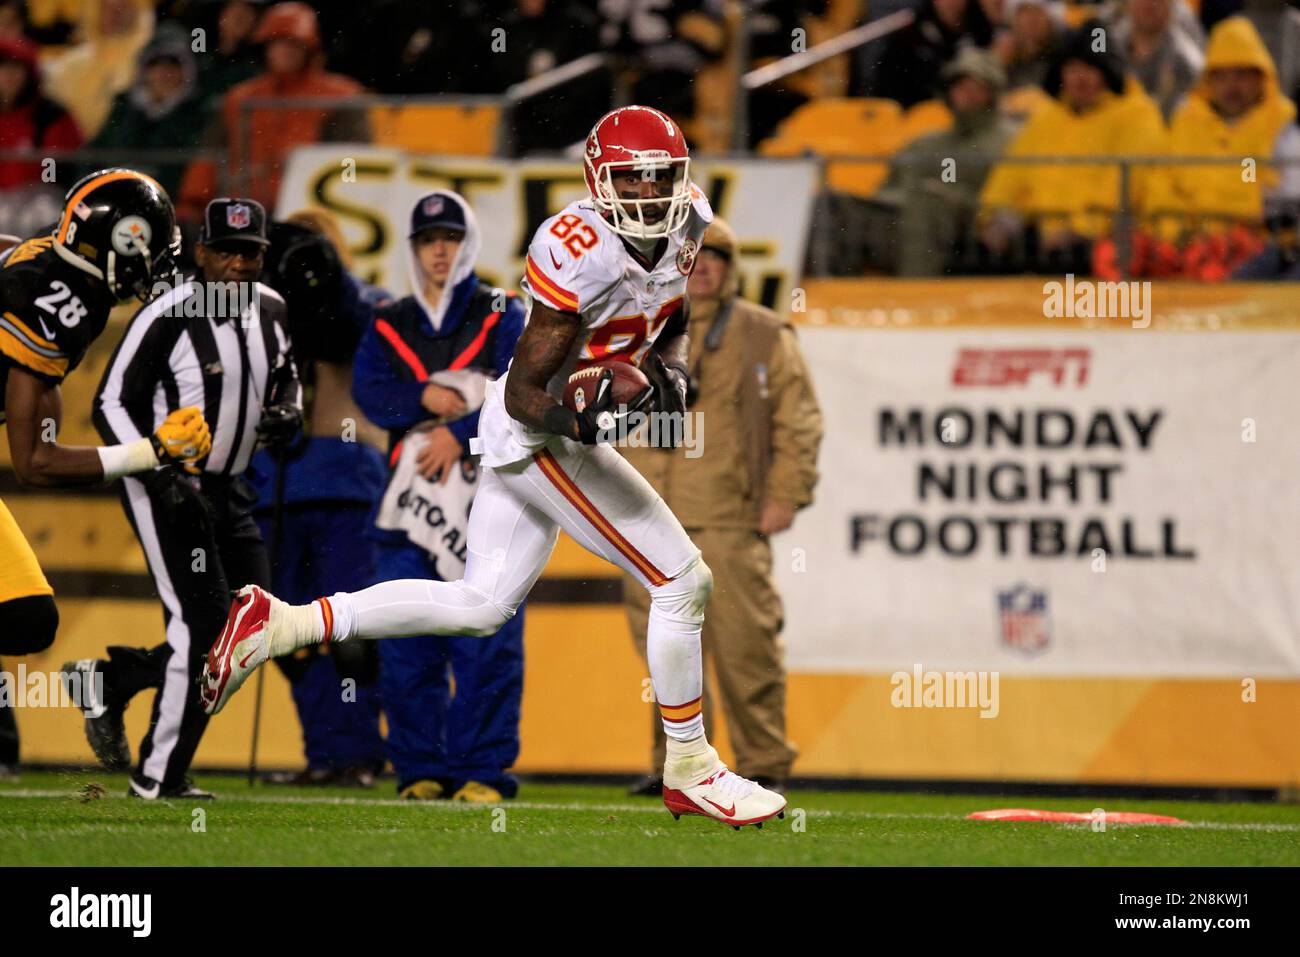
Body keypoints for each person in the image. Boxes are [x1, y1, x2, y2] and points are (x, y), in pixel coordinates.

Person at [203, 105, 788, 829]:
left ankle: (283, 622)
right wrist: (592, 415)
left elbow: (670, 318)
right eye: (631, 182)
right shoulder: (579, 250)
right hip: (536, 434)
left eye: (660, 178)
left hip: (543, 435)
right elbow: (523, 392)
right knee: (681, 578)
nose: (648, 195)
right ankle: (691, 765)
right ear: (599, 183)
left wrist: (667, 373)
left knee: (481, 605)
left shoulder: (691, 218)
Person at [69, 197, 299, 800]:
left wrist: (287, 415)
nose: (239, 264)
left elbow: (286, 378)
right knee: (200, 627)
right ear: (200, 253)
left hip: (233, 489)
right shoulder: (168, 311)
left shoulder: (273, 309)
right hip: (171, 487)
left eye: (251, 253)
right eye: (226, 250)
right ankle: (158, 775)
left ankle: (112, 680)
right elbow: (110, 403)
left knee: (252, 630)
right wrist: (157, 474)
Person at [620, 217, 822, 797]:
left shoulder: (762, 332)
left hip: (729, 516)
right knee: (665, 655)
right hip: (648, 519)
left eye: (716, 257)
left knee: (746, 649)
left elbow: (799, 422)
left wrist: (786, 494)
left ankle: (765, 763)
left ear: (733, 269)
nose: (703, 266)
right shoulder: (641, 330)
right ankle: (674, 765)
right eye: (691, 257)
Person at [352, 190, 526, 802]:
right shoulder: (388, 319)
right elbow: (369, 393)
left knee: (487, 641)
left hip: (491, 500)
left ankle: (483, 772)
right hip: (408, 505)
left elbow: (520, 391)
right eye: (429, 241)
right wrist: (421, 398)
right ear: (414, 249)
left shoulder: (502, 310)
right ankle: (420, 769)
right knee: (406, 639)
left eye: (451, 239)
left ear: (469, 243)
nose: (440, 251)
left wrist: (457, 433)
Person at [1, 169, 208, 659]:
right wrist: (151, 452)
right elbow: (35, 463)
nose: (158, 265)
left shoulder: (44, 257)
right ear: (119, 246)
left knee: (25, 618)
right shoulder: (53, 307)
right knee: (25, 620)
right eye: (152, 251)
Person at [248, 210, 390, 788]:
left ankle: (359, 754)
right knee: (287, 633)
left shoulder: (367, 300)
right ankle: (326, 754)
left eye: (314, 247)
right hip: (272, 481)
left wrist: (325, 274)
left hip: (344, 479)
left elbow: (362, 328)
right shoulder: (264, 312)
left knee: (351, 632)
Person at [977, 21, 1166, 270]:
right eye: (1072, 67)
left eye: (1090, 67)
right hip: (1040, 240)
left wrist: (1080, 229)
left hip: (1100, 244)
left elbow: (1124, 185)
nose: (1080, 77)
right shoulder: (1046, 117)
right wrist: (994, 218)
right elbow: (1011, 175)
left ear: (1107, 72)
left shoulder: (1137, 115)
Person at [176, 2, 368, 222]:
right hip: (244, 211)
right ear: (265, 47)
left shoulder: (341, 97)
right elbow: (210, 156)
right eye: (277, 43)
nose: (284, 51)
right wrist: (191, 204)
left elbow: (353, 162)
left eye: (293, 44)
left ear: (309, 48)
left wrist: (345, 199)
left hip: (311, 212)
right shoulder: (240, 98)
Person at [878, 46, 1019, 274]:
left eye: (977, 88)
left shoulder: (1013, 140)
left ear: (993, 93)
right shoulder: (925, 143)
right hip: (902, 221)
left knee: (927, 203)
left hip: (972, 230)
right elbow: (886, 191)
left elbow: (1016, 194)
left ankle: (917, 296)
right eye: (961, 87)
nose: (968, 95)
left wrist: (942, 194)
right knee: (834, 205)